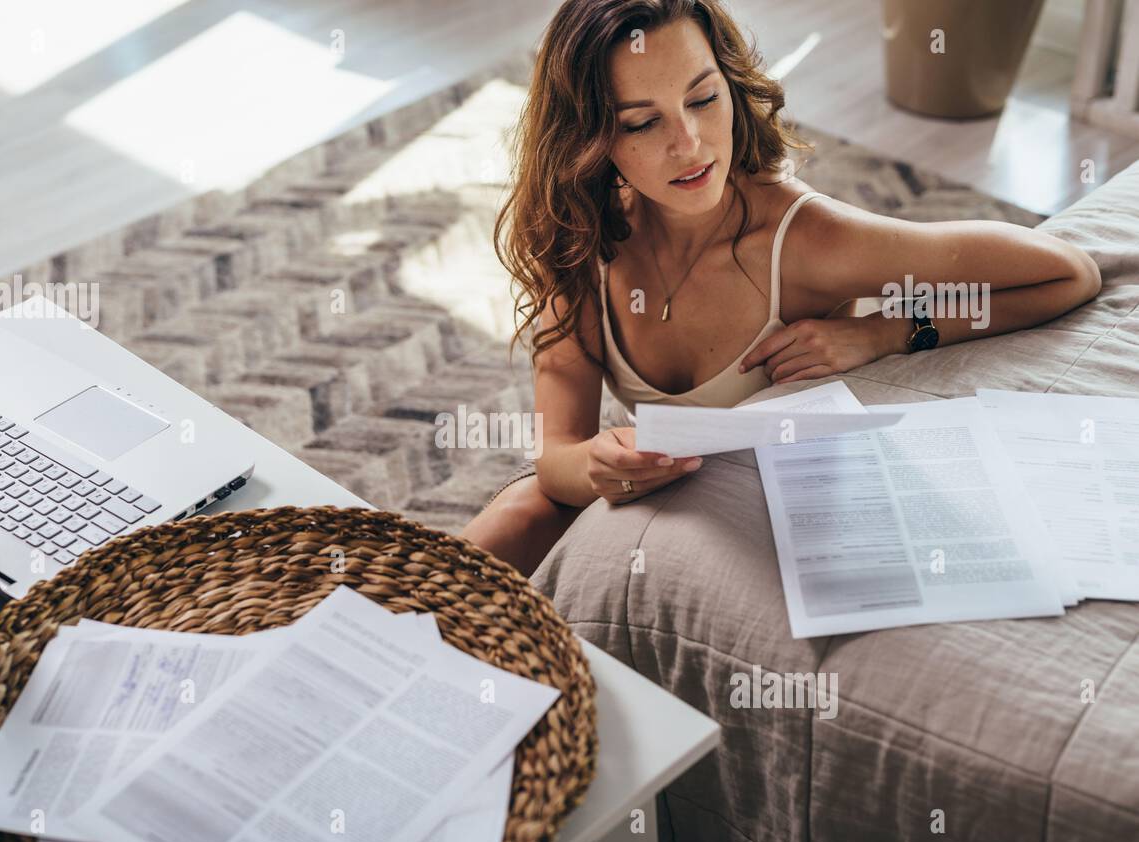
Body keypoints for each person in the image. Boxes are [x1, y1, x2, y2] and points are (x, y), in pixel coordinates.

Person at [462, 0, 1102, 576]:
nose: (688, 144)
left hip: (772, 506)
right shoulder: (586, 240)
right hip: (654, 497)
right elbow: (558, 458)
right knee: (517, 511)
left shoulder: (806, 242)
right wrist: (602, 464)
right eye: (640, 123)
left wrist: (886, 331)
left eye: (703, 98)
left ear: (732, 88)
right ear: (592, 140)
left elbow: (1066, 271)